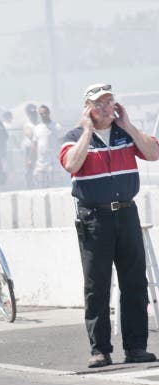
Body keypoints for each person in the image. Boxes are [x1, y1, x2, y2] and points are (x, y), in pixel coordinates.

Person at [59, 83, 159, 368]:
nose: (104, 108)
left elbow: (153, 154)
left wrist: (129, 125)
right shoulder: (75, 137)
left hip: (126, 214)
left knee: (134, 283)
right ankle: (100, 349)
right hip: (94, 218)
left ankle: (136, 347)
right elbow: (71, 165)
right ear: (87, 109)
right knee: (97, 287)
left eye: (109, 102)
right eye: (98, 104)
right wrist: (88, 131)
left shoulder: (125, 134)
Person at [29, 105, 61, 188]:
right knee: (40, 185)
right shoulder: (37, 128)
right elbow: (34, 145)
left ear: (49, 113)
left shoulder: (57, 126)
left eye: (45, 113)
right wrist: (30, 159)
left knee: (54, 185)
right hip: (41, 161)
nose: (43, 115)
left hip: (53, 161)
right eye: (41, 113)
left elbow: (62, 142)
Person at [22, 103, 40, 187]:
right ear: (28, 114)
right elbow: (30, 135)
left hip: (38, 148)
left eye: (35, 113)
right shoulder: (27, 124)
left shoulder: (39, 124)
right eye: (31, 114)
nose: (34, 115)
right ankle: (29, 185)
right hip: (29, 148)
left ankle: (37, 184)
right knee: (29, 166)